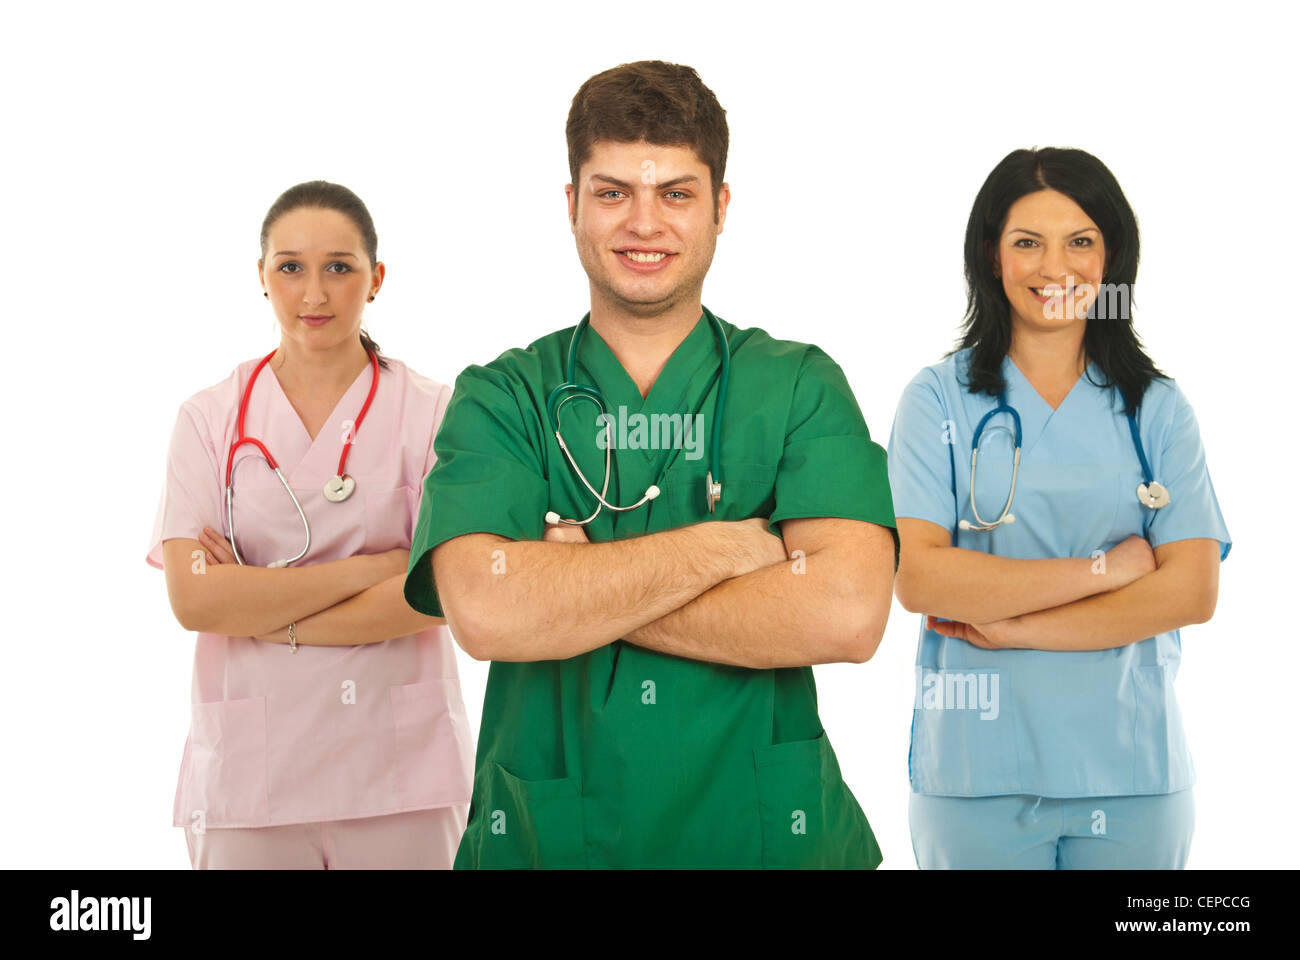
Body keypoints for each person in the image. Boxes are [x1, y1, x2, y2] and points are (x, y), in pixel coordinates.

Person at [402, 60, 899, 869]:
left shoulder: (799, 384)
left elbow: (846, 613)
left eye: (675, 193)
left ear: (720, 208)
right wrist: (726, 550)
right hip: (555, 839)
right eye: (612, 193)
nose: (644, 223)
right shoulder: (503, 396)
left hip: (766, 835)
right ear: (570, 206)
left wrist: (576, 585)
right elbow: (488, 613)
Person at [887, 147, 1230, 869]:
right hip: (977, 778)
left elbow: (1192, 592)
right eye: (1027, 243)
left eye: (1081, 242)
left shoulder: (1158, 412)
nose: (1055, 268)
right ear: (991, 254)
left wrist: (1014, 630)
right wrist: (1107, 570)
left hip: (1133, 779)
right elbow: (924, 580)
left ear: (1112, 257)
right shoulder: (937, 401)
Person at [146, 180, 474, 869]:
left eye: (339, 267)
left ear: (376, 278)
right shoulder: (209, 419)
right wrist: (377, 568)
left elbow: (441, 591)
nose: (315, 294)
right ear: (261, 278)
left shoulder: (433, 413)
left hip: (399, 776)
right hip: (250, 780)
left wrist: (260, 607)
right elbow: (196, 599)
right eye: (290, 267)